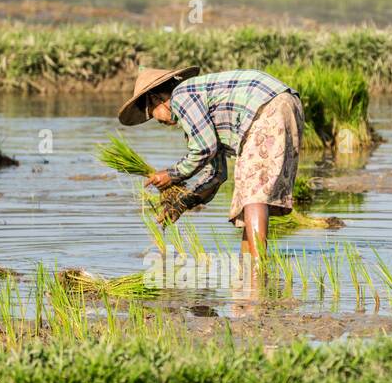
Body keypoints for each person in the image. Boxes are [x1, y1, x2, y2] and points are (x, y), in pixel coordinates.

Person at [118, 66, 304, 258]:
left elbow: (204, 148)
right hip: (286, 103)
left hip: (266, 108)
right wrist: (183, 203)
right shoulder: (198, 107)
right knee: (249, 195)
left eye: (149, 112)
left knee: (253, 196)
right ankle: (247, 268)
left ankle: (258, 267)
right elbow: (217, 174)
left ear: (155, 98)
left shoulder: (181, 95)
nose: (154, 120)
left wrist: (170, 175)